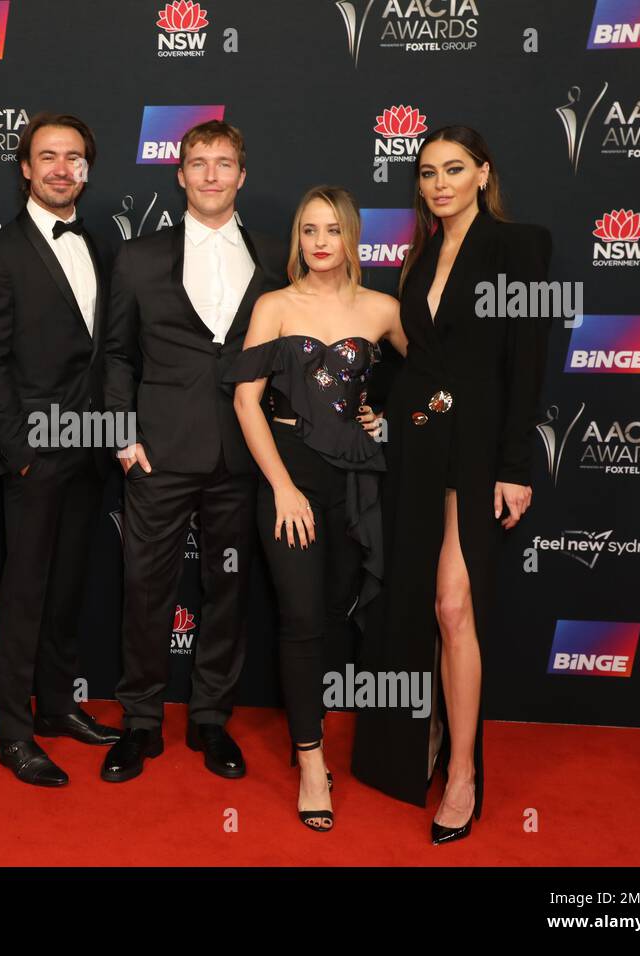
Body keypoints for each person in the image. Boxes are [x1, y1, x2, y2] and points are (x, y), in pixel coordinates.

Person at [350, 126, 552, 844]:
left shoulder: (519, 246)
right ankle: (424, 741)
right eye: (429, 172)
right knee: (419, 605)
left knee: (453, 606)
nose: (440, 183)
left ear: (482, 173)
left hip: (477, 452)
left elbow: (526, 365)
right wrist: (379, 398)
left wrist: (514, 466)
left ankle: (463, 773)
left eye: (455, 169)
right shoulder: (419, 257)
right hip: (419, 445)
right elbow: (421, 363)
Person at [100, 120, 287, 784]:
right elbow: (117, 355)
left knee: (228, 589)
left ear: (242, 175)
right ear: (179, 175)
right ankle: (140, 721)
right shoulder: (139, 258)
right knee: (144, 588)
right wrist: (121, 436)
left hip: (242, 454)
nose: (211, 174)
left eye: (224, 162)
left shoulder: (275, 257)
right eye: (199, 162)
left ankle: (211, 718)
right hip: (158, 453)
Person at [224, 186, 405, 830]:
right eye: (308, 230)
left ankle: (317, 726)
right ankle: (309, 760)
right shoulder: (275, 305)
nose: (319, 242)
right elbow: (247, 401)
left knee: (332, 615)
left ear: (352, 236)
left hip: (355, 480)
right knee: (300, 619)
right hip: (290, 474)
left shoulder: (383, 308)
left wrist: (383, 411)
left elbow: (423, 376)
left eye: (331, 229)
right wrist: (281, 486)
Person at [0, 112, 121, 787]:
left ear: (87, 168)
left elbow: (106, 352)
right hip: (33, 455)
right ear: (24, 168)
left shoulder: (101, 244)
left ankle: (56, 708)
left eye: (74, 157)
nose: (61, 168)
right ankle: (12, 732)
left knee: (66, 593)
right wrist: (20, 450)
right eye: (47, 157)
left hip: (88, 452)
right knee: (24, 596)